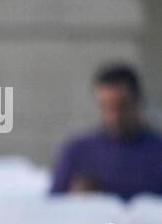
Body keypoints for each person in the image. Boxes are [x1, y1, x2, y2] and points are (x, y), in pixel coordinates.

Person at [51, 64, 162, 200]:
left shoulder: (157, 151)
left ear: (138, 101)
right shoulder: (78, 152)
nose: (114, 116)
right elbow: (53, 207)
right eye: (106, 106)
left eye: (121, 106)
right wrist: (77, 198)